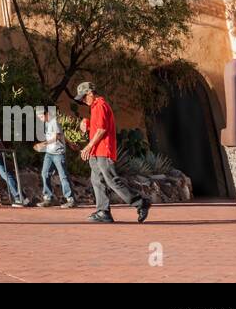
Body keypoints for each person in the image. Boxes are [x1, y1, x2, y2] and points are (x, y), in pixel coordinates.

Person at [74, 82, 150, 223]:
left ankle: (141, 202)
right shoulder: (95, 107)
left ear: (90, 93)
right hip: (96, 152)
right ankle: (103, 212)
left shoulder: (101, 105)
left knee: (112, 181)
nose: (83, 101)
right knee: (97, 180)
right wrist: (86, 122)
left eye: (84, 97)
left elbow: (102, 130)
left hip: (103, 150)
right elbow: (98, 126)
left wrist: (88, 147)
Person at [35, 107, 75, 208]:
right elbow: (61, 134)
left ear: (46, 114)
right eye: (38, 117)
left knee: (63, 176)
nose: (40, 118)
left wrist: (43, 144)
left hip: (58, 153)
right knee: (45, 173)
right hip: (49, 153)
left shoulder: (54, 122)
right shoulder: (47, 123)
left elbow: (57, 136)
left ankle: (70, 199)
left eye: (41, 116)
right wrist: (69, 143)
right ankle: (48, 198)